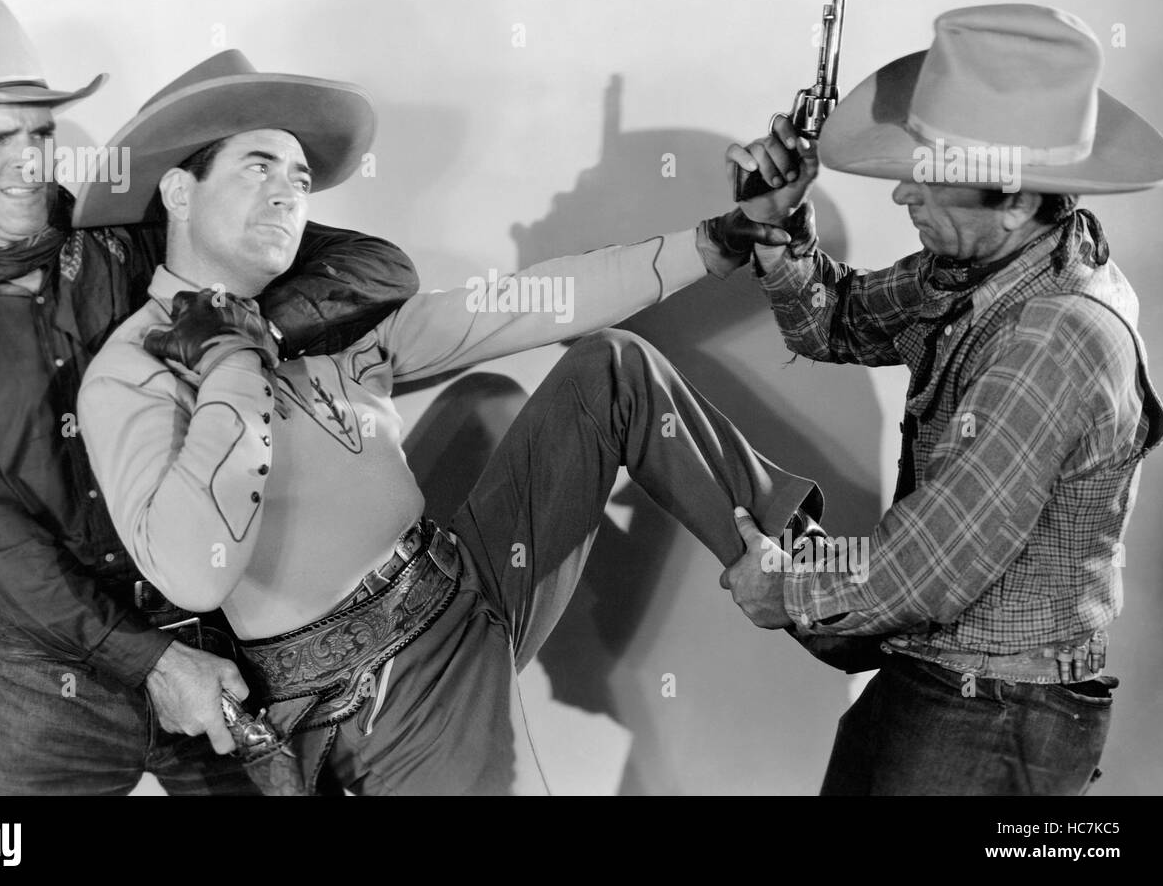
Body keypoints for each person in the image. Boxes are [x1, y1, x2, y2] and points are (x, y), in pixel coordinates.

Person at [77, 48, 825, 795]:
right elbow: (194, 571)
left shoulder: (327, 325)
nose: (287, 196)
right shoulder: (131, 372)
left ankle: (806, 575)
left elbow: (524, 304)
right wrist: (232, 365)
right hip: (379, 688)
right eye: (258, 167)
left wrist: (722, 238)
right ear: (179, 189)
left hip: (473, 574)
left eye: (300, 180)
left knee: (611, 367)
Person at [0, 0, 420, 795]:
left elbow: (381, 270)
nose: (30, 161)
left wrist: (232, 324)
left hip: (221, 623)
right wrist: (153, 660)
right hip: (45, 657)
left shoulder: (132, 232)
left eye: (41, 132)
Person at [721, 3, 1163, 795]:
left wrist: (784, 586)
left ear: (1019, 199)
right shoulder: (990, 260)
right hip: (935, 676)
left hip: (995, 712)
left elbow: (928, 566)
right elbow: (838, 322)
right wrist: (776, 222)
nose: (900, 196)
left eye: (930, 176)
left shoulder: (1056, 337)